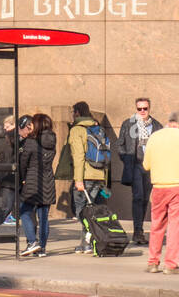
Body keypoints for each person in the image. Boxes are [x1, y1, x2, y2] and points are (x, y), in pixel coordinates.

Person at [142, 111, 179, 273]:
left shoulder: (155, 136)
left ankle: (153, 262)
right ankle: (171, 265)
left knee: (157, 225)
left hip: (159, 187)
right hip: (178, 186)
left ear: (168, 122)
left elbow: (146, 165)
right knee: (175, 227)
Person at [118, 97, 162, 246]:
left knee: (144, 199)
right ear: (136, 109)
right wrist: (126, 159)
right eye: (139, 109)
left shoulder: (157, 126)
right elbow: (121, 145)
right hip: (135, 163)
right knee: (138, 196)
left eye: (145, 108)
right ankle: (138, 231)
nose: (142, 111)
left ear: (149, 108)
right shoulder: (128, 123)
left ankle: (140, 229)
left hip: (151, 166)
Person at [66, 101, 109, 253]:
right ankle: (88, 243)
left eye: (73, 112)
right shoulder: (98, 128)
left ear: (77, 112)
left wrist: (78, 180)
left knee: (81, 212)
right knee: (92, 211)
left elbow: (78, 157)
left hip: (85, 176)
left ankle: (88, 242)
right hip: (99, 175)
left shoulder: (77, 130)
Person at [19, 112, 56, 257]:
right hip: (48, 181)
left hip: (33, 181)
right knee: (44, 217)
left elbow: (23, 163)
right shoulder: (52, 140)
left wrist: (22, 179)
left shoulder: (31, 141)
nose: (30, 125)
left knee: (24, 211)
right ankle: (42, 248)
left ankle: (32, 242)